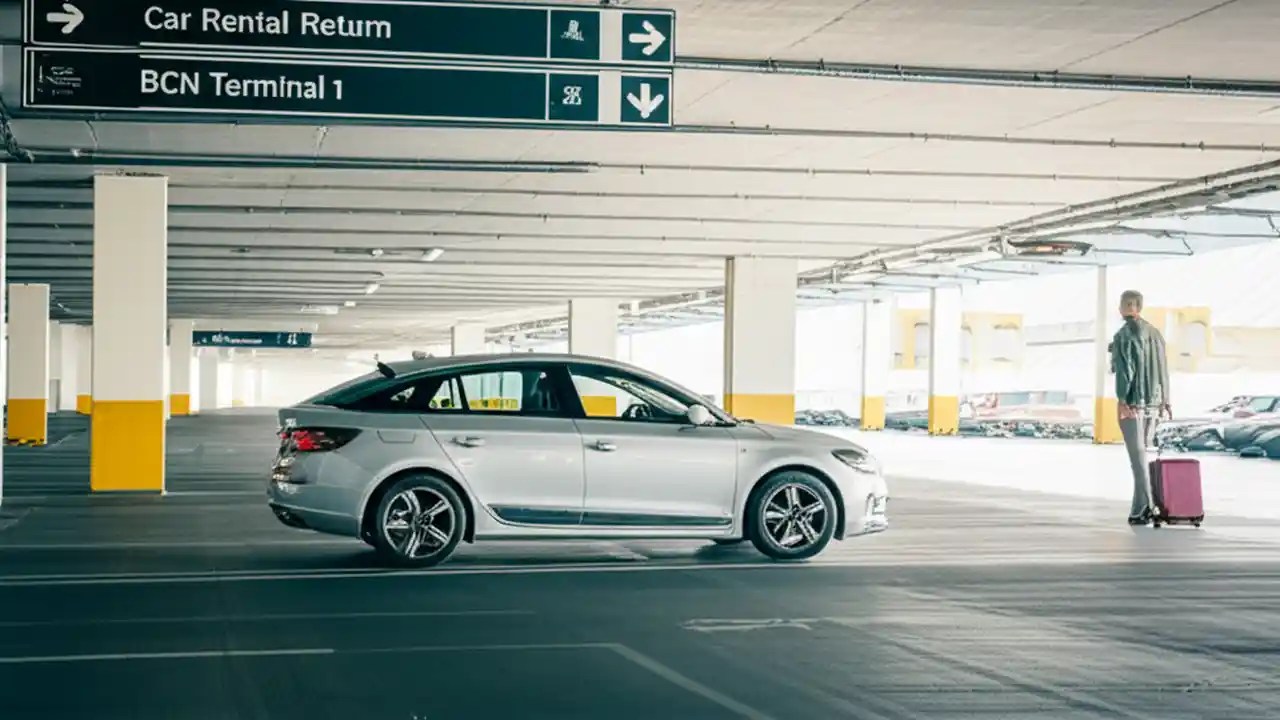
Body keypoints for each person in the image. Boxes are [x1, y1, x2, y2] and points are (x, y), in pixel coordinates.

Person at [1110, 290, 1172, 525]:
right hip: (1155, 404)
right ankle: (1142, 507)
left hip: (1134, 404)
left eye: (1121, 304)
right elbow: (1164, 369)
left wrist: (1123, 400)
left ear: (1127, 306)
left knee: (1137, 460)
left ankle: (1143, 507)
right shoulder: (1156, 334)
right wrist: (1166, 399)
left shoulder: (1124, 335)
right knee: (1143, 456)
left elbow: (1126, 373)